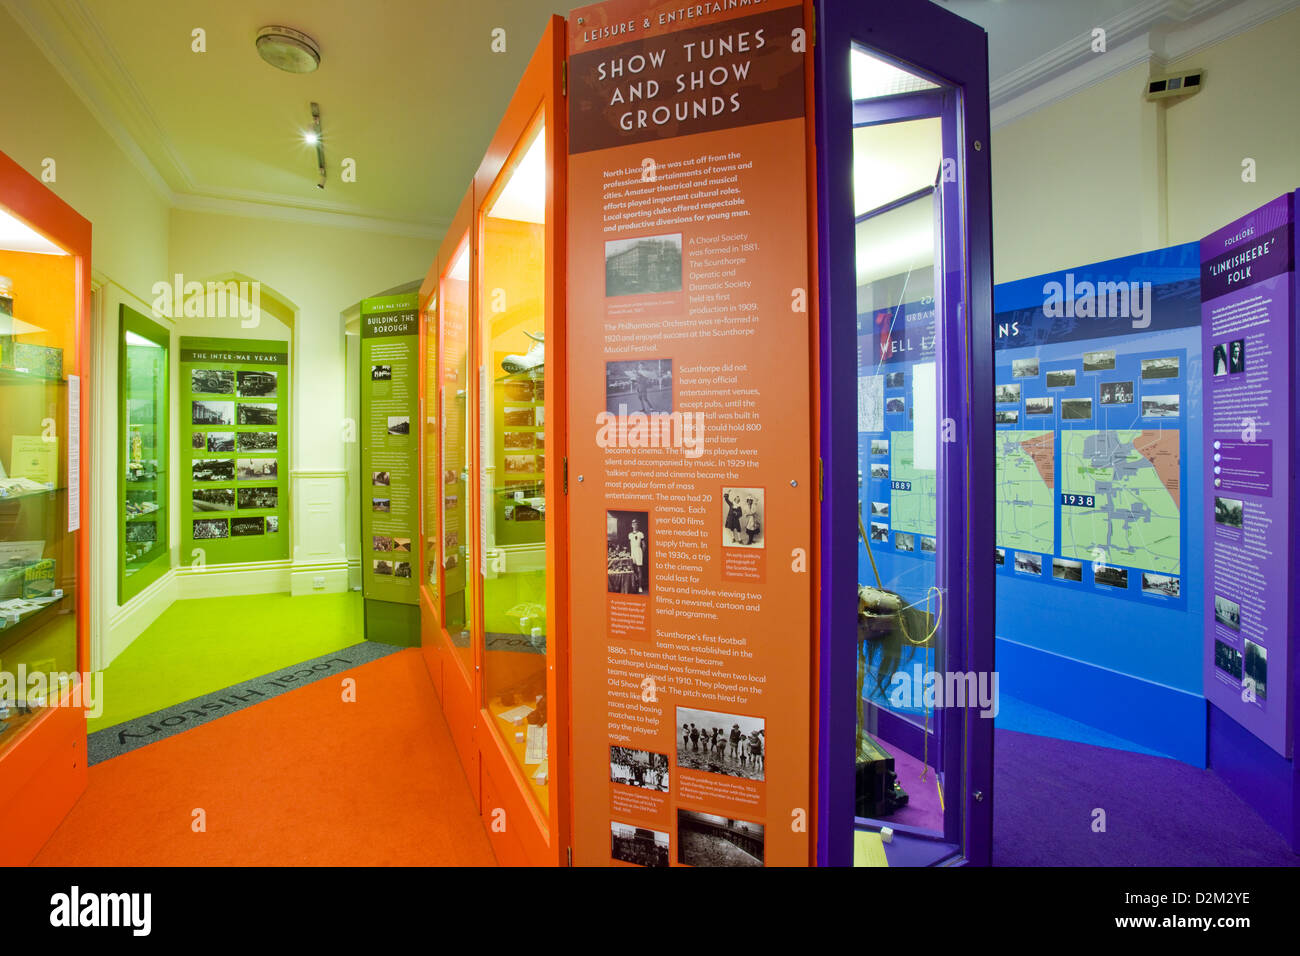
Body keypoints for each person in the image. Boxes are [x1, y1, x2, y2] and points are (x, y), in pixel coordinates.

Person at [628, 518, 647, 593]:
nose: (634, 525)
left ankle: (640, 586)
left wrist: (641, 553)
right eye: (633, 523)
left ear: (637, 525)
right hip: (632, 552)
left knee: (639, 570)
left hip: (638, 551)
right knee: (633, 569)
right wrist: (630, 553)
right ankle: (634, 585)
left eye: (636, 523)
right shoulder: (629, 535)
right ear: (631, 525)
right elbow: (630, 545)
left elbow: (644, 545)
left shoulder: (640, 534)